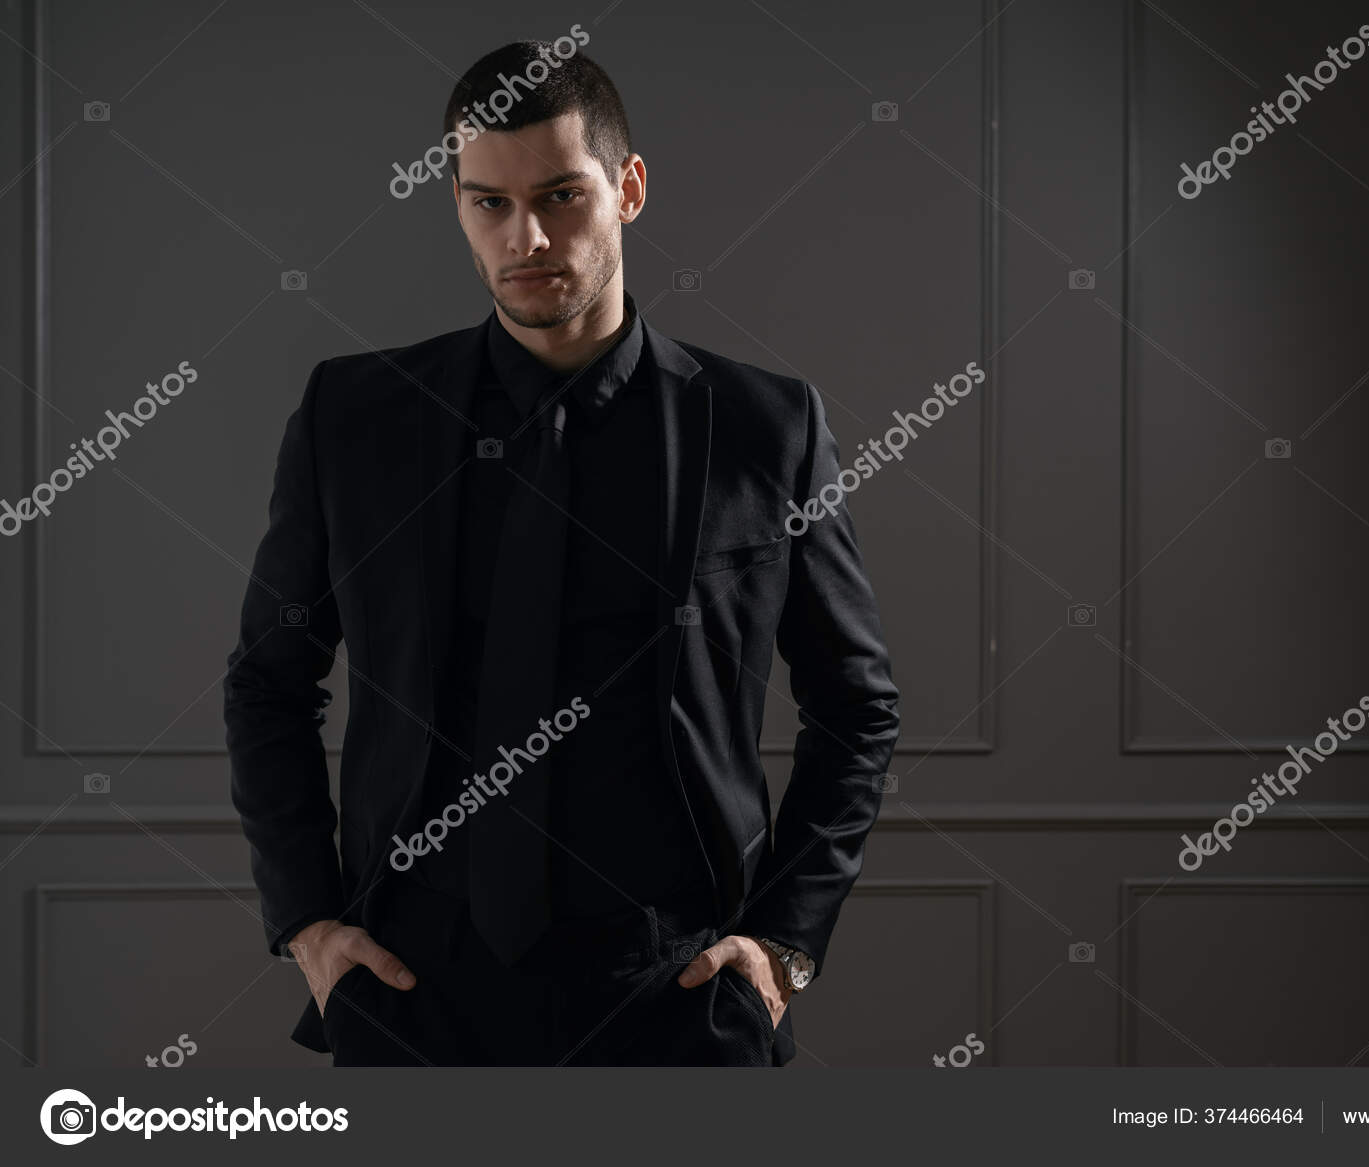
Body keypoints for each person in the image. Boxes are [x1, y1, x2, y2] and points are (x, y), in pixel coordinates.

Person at [222, 39, 900, 1067]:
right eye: (487, 202)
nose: (525, 236)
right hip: (411, 989)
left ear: (627, 189)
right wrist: (309, 926)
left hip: (674, 994)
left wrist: (781, 945)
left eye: (560, 196)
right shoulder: (353, 418)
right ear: (455, 203)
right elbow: (269, 683)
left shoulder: (765, 429)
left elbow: (856, 703)